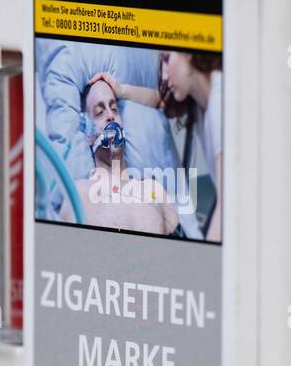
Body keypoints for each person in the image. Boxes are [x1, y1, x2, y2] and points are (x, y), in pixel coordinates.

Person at [87, 49, 222, 241]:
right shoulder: (198, 101)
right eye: (100, 112)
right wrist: (120, 90)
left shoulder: (220, 106)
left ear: (189, 52)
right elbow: (159, 100)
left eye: (167, 59)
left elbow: (228, 202)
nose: (164, 76)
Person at [66, 77, 179, 236]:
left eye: (114, 109)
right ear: (88, 134)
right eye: (99, 112)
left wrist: (122, 89)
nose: (110, 116)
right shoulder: (78, 194)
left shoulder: (154, 190)